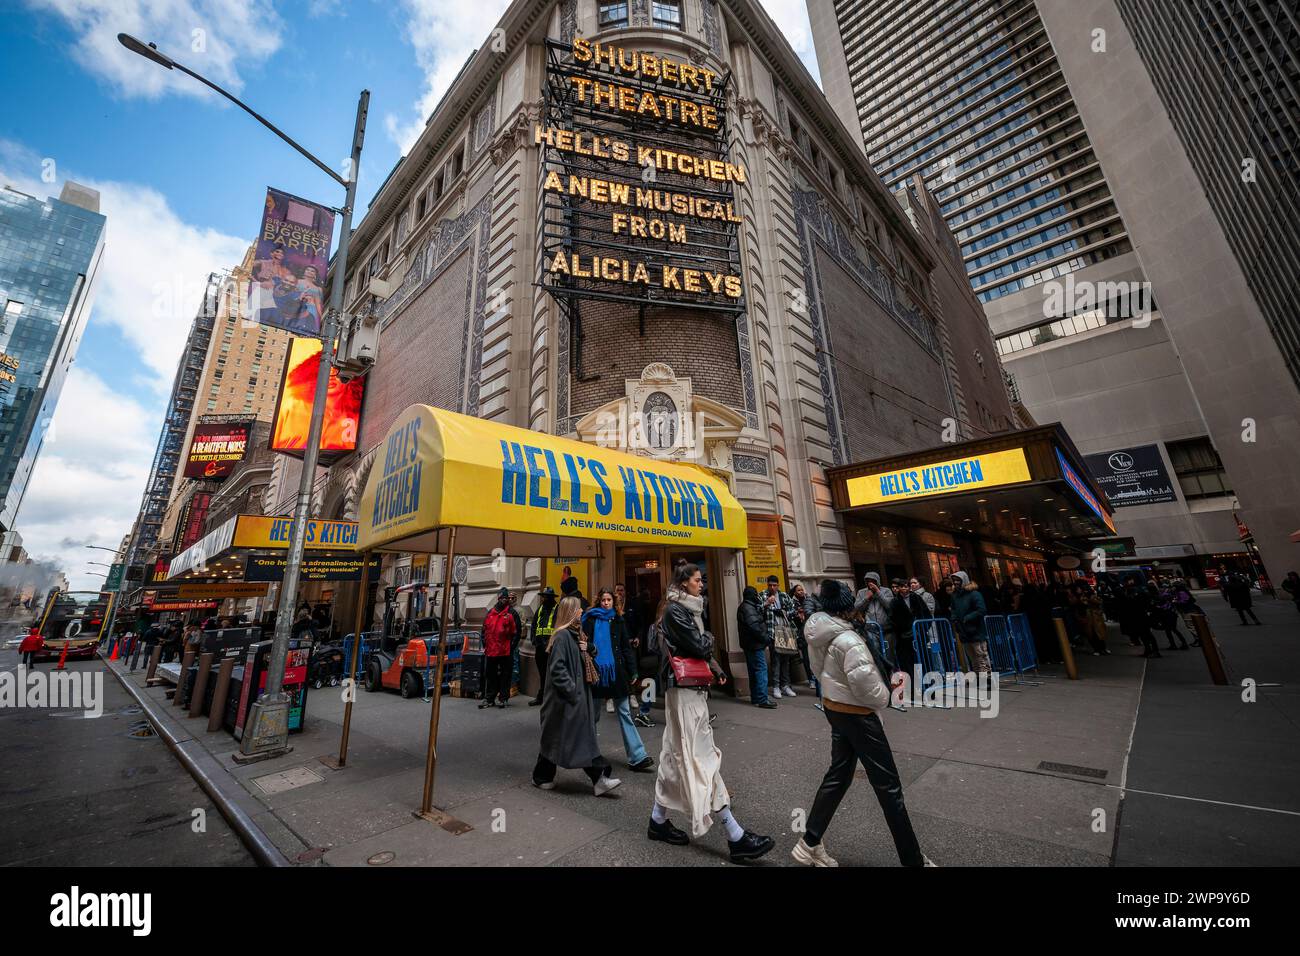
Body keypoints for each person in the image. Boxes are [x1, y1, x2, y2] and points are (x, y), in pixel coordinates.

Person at [793, 579, 931, 868]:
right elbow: (866, 685)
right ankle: (913, 860)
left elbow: (819, 671)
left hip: (835, 706)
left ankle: (809, 842)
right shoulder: (849, 639)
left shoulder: (819, 632)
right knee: (889, 787)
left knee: (839, 776)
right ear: (847, 605)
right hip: (858, 714)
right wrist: (885, 697)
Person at [647, 563, 774, 862]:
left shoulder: (686, 609)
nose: (701, 584)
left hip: (687, 690)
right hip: (685, 692)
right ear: (684, 583)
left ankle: (657, 820)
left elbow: (698, 648)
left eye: (702, 579)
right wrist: (711, 640)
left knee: (672, 753)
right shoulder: (677, 611)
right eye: (697, 580)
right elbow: (699, 645)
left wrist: (714, 665)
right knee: (702, 757)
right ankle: (735, 835)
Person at [533, 596, 621, 795]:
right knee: (573, 739)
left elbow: (586, 658)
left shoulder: (576, 635)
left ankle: (542, 776)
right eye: (579, 609)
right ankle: (599, 778)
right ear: (571, 612)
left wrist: (589, 648)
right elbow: (557, 670)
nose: (582, 612)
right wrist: (573, 691)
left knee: (559, 740)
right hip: (565, 702)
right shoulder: (563, 636)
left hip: (573, 701)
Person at [584, 588, 654, 772]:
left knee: (624, 712)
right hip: (596, 673)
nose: (606, 603)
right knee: (594, 715)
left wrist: (633, 672)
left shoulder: (618, 620)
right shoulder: (590, 619)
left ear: (614, 602)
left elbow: (625, 648)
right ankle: (588, 752)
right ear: (599, 601)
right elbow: (583, 643)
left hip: (616, 673)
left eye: (609, 600)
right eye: (603, 600)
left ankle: (637, 756)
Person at [737, 586, 776, 708]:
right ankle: (762, 699)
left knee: (753, 671)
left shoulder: (746, 606)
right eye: (756, 594)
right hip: (755, 644)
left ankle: (756, 698)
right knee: (760, 670)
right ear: (752, 595)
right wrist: (766, 639)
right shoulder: (748, 608)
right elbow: (755, 627)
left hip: (749, 644)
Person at [479, 588, 518, 709]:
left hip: (505, 651)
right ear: (498, 598)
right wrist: (485, 644)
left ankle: (503, 698)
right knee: (490, 674)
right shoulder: (490, 613)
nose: (504, 600)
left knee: (505, 675)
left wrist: (511, 647)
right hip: (491, 650)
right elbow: (484, 630)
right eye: (502, 598)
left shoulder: (512, 613)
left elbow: (516, 632)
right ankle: (489, 698)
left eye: (506, 598)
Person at [762, 575, 798, 699]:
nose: (772, 587)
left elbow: (794, 610)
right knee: (776, 660)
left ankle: (785, 685)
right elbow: (758, 609)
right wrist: (766, 603)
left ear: (778, 585)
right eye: (770, 585)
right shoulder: (763, 595)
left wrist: (784, 612)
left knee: (786, 660)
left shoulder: (783, 596)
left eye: (774, 585)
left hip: (786, 631)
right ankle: (776, 686)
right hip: (773, 632)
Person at [949, 571, 990, 674]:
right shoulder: (955, 595)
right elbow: (953, 609)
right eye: (954, 580)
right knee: (972, 658)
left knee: (981, 656)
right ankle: (979, 678)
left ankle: (988, 680)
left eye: (958, 580)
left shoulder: (974, 594)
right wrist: (954, 618)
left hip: (976, 630)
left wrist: (968, 617)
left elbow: (981, 610)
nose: (955, 582)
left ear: (964, 580)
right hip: (963, 631)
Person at [529, 587, 558, 706]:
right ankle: (542, 697)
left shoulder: (557, 609)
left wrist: (553, 643)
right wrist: (534, 641)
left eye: (547, 596)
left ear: (551, 597)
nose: (545, 598)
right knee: (542, 673)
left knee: (552, 674)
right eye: (544, 596)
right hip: (540, 647)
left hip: (551, 647)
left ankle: (551, 698)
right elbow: (534, 625)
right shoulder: (540, 609)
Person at [1118, 578, 1161, 657]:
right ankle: (1149, 650)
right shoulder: (1138, 594)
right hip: (1140, 618)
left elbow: (1143, 606)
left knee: (1147, 635)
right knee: (1144, 635)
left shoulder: (1137, 596)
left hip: (1141, 618)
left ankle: (1154, 651)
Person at [792, 583, 820, 692]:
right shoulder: (793, 602)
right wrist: (797, 614)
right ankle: (811, 679)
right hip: (801, 633)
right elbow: (792, 615)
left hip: (812, 631)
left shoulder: (809, 600)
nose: (801, 592)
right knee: (807, 657)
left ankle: (816, 677)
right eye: (798, 590)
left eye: (802, 590)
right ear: (794, 592)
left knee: (815, 656)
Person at [1152, 582, 1189, 650]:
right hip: (1172, 614)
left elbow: (1165, 605)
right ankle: (1181, 643)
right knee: (1172, 630)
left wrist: (1159, 606)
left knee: (1170, 630)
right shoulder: (1169, 594)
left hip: (1169, 614)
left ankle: (1176, 644)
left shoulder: (1165, 596)